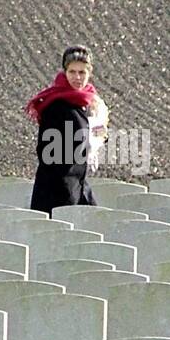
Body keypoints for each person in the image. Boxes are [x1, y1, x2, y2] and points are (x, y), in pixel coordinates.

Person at [24, 45, 109, 216]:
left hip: (79, 185)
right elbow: (47, 152)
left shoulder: (88, 103)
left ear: (89, 74)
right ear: (65, 72)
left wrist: (99, 135)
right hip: (58, 190)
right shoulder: (56, 105)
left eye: (82, 72)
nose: (77, 77)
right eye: (72, 72)